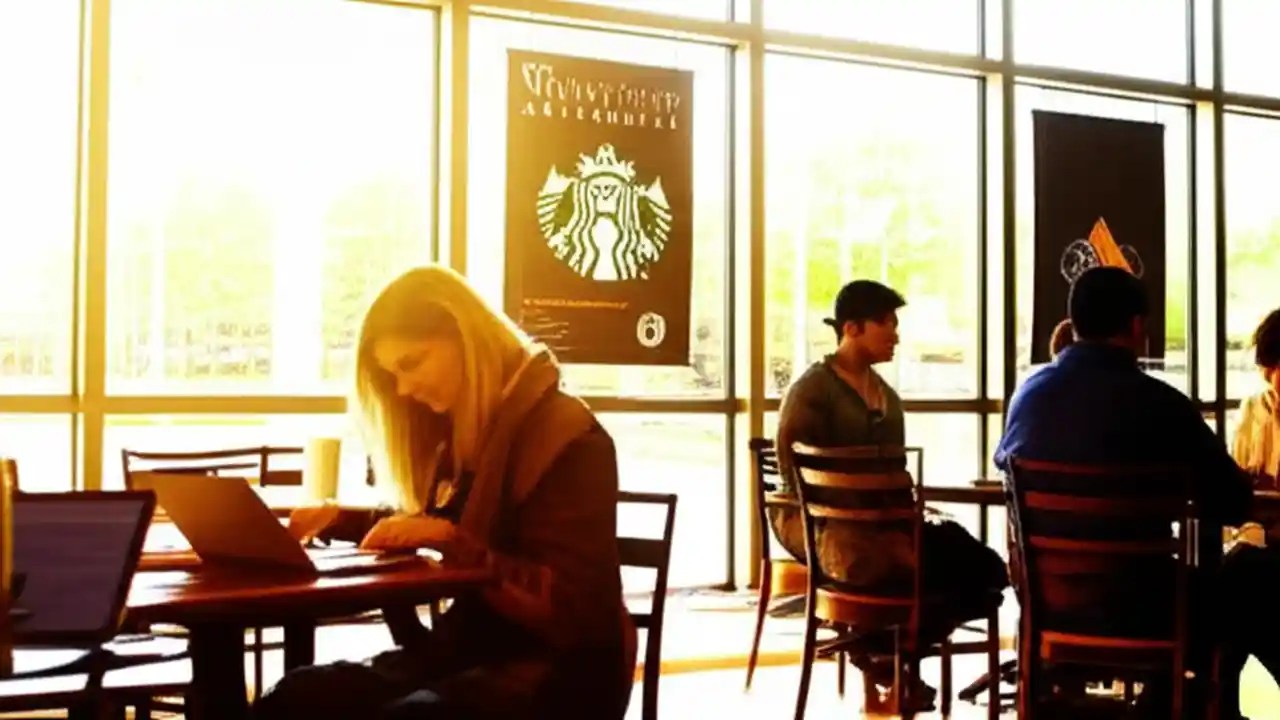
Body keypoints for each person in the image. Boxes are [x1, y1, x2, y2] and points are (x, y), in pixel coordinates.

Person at [255, 266, 636, 720]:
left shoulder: (568, 436)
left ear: (466, 337)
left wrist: (452, 544)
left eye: (411, 363)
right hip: (468, 655)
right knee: (295, 699)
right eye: (393, 373)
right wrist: (335, 518)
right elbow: (431, 521)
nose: (404, 388)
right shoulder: (474, 435)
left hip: (554, 674)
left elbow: (576, 615)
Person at [994, 266, 1267, 718]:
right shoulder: (1162, 404)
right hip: (1147, 605)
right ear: (1138, 326)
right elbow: (1233, 502)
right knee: (1254, 577)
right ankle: (1187, 703)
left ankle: (1170, 701)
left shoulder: (1028, 397)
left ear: (1074, 322)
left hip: (1049, 600)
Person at [773, 280, 1009, 711]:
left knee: (986, 570)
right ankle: (885, 655)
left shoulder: (889, 399)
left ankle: (884, 651)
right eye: (886, 323)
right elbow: (795, 476)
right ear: (852, 328)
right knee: (913, 568)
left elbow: (897, 478)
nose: (895, 334)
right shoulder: (811, 391)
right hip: (826, 527)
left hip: (887, 524)